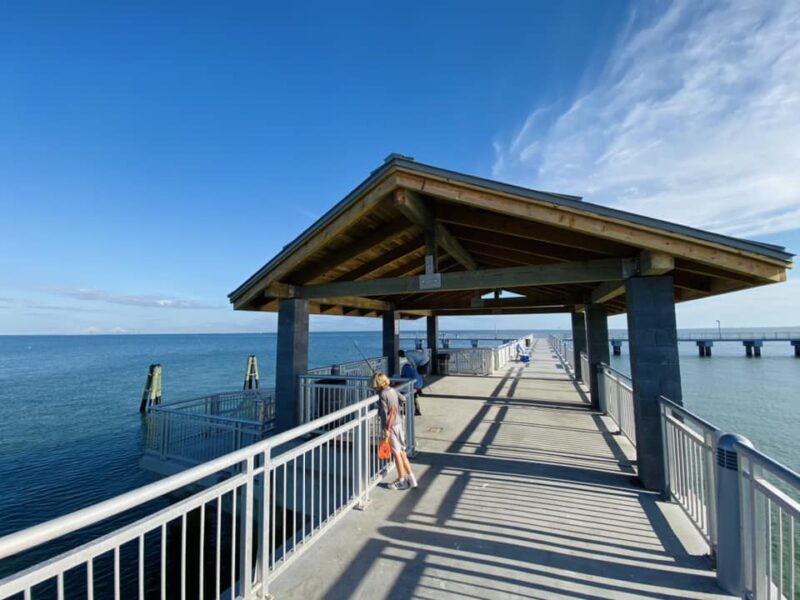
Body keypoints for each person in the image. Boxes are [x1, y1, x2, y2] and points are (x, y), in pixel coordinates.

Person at [373, 372, 417, 490]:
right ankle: (411, 478)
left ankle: (401, 479)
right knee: (402, 451)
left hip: (391, 426)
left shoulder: (382, 394)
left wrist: (386, 429)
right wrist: (396, 407)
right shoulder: (392, 390)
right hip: (398, 423)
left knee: (396, 453)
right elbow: (402, 399)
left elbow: (384, 413)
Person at [398, 350, 423, 415]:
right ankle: (417, 411)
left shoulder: (404, 369)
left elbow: (403, 378)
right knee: (413, 396)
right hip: (419, 385)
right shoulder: (412, 370)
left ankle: (404, 410)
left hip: (414, 385)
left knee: (403, 395)